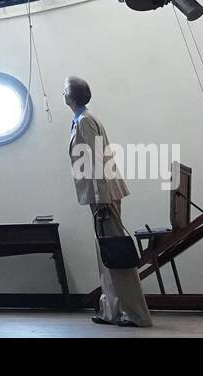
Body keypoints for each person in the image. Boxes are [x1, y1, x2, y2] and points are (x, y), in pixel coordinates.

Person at [62, 76, 153, 328]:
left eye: (65, 90)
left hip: (103, 195)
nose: (63, 94)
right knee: (107, 255)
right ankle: (110, 310)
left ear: (72, 96)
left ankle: (137, 314)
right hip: (100, 195)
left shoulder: (85, 121)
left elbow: (95, 160)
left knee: (117, 254)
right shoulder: (82, 119)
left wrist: (101, 198)